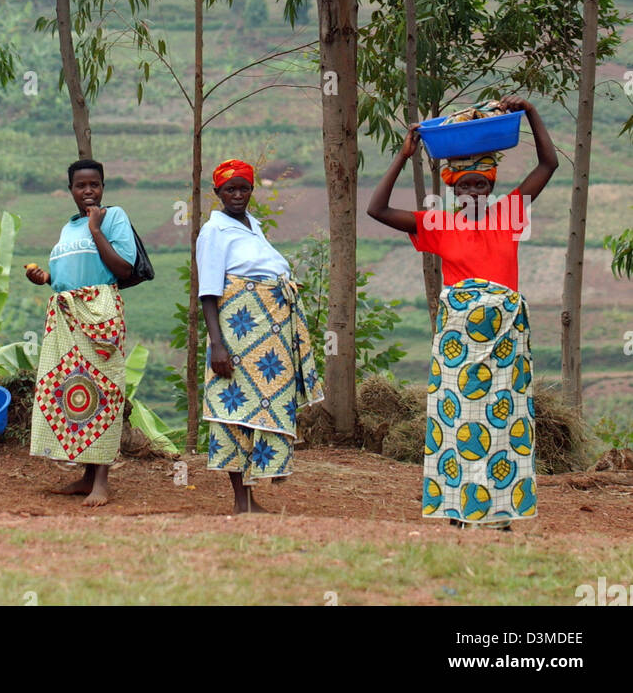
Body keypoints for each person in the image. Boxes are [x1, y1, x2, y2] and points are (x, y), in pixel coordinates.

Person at [367, 96, 558, 530]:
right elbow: (375, 209)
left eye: (481, 185)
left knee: (505, 416)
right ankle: (458, 509)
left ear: (491, 187)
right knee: (457, 416)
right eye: (465, 186)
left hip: (504, 334)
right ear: (453, 189)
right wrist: (402, 157)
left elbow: (548, 165)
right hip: (459, 337)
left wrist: (529, 111)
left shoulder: (509, 214)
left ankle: (500, 514)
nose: (474, 192)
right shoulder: (438, 225)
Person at [197, 158, 323, 514]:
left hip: (268, 338)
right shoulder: (214, 232)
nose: (237, 195)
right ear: (217, 192)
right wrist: (217, 345)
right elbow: (208, 291)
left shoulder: (252, 225)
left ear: (252, 190)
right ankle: (242, 501)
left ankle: (252, 494)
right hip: (239, 333)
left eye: (244, 188)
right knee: (234, 410)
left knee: (264, 407)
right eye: (230, 189)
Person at [26, 158, 135, 508]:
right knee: (74, 389)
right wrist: (45, 279)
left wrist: (97, 230)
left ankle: (102, 480)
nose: (88, 191)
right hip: (68, 318)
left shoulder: (113, 217)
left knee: (105, 390)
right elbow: (66, 280)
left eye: (94, 185)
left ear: (103, 187)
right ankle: (86, 476)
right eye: (80, 185)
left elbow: (123, 268)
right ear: (70, 189)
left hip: (100, 312)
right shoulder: (67, 228)